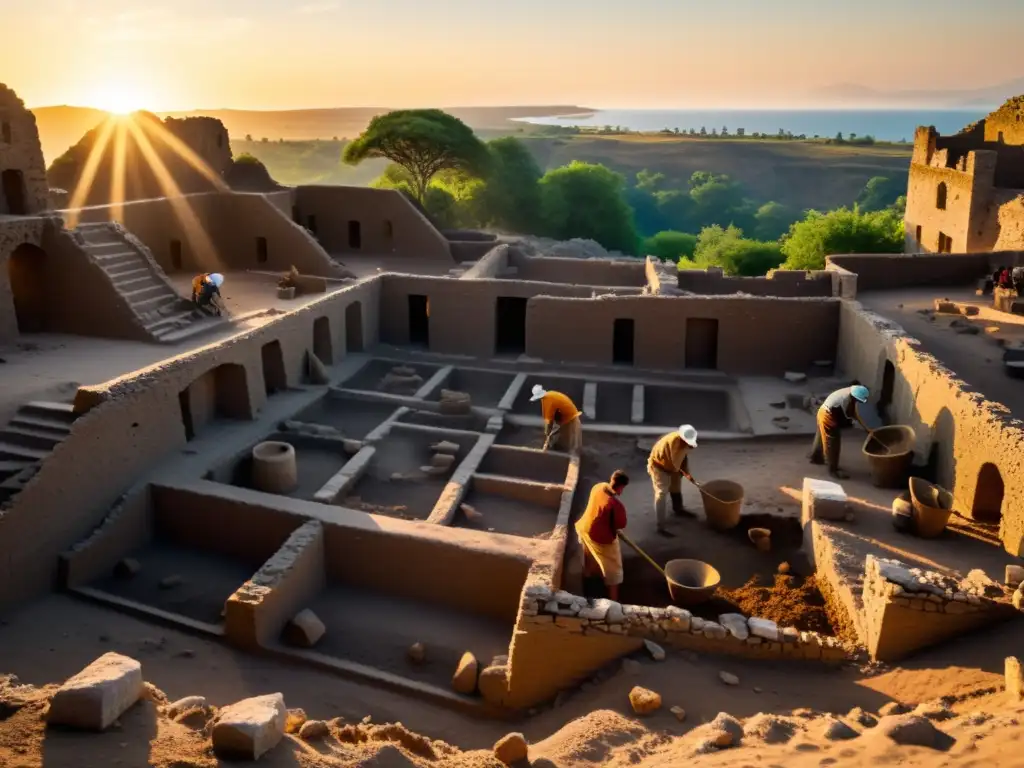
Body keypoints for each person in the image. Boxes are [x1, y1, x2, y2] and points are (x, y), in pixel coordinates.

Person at [575, 470, 630, 601]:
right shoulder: (615, 506)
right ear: (621, 487)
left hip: (584, 529)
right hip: (600, 539)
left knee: (590, 558)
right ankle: (614, 604)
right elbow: (621, 524)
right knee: (615, 572)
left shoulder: (598, 487)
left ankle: (588, 584)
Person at [647, 425, 699, 538]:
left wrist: (688, 475)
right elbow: (675, 464)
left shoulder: (683, 441)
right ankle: (660, 527)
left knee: (676, 487)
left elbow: (683, 459)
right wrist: (683, 473)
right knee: (661, 493)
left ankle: (678, 509)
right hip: (659, 466)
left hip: (671, 466)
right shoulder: (674, 445)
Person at [808, 384, 869, 480]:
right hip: (828, 415)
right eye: (858, 400)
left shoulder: (849, 391)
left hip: (822, 411)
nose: (858, 402)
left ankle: (816, 457)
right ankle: (833, 470)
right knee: (833, 441)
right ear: (854, 397)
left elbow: (854, 412)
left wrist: (864, 425)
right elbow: (847, 416)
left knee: (821, 436)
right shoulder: (845, 399)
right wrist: (855, 424)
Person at [530, 384, 582, 453]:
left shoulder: (548, 400)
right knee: (564, 440)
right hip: (567, 417)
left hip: (568, 418)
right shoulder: (549, 395)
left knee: (566, 444)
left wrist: (547, 434)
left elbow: (549, 421)